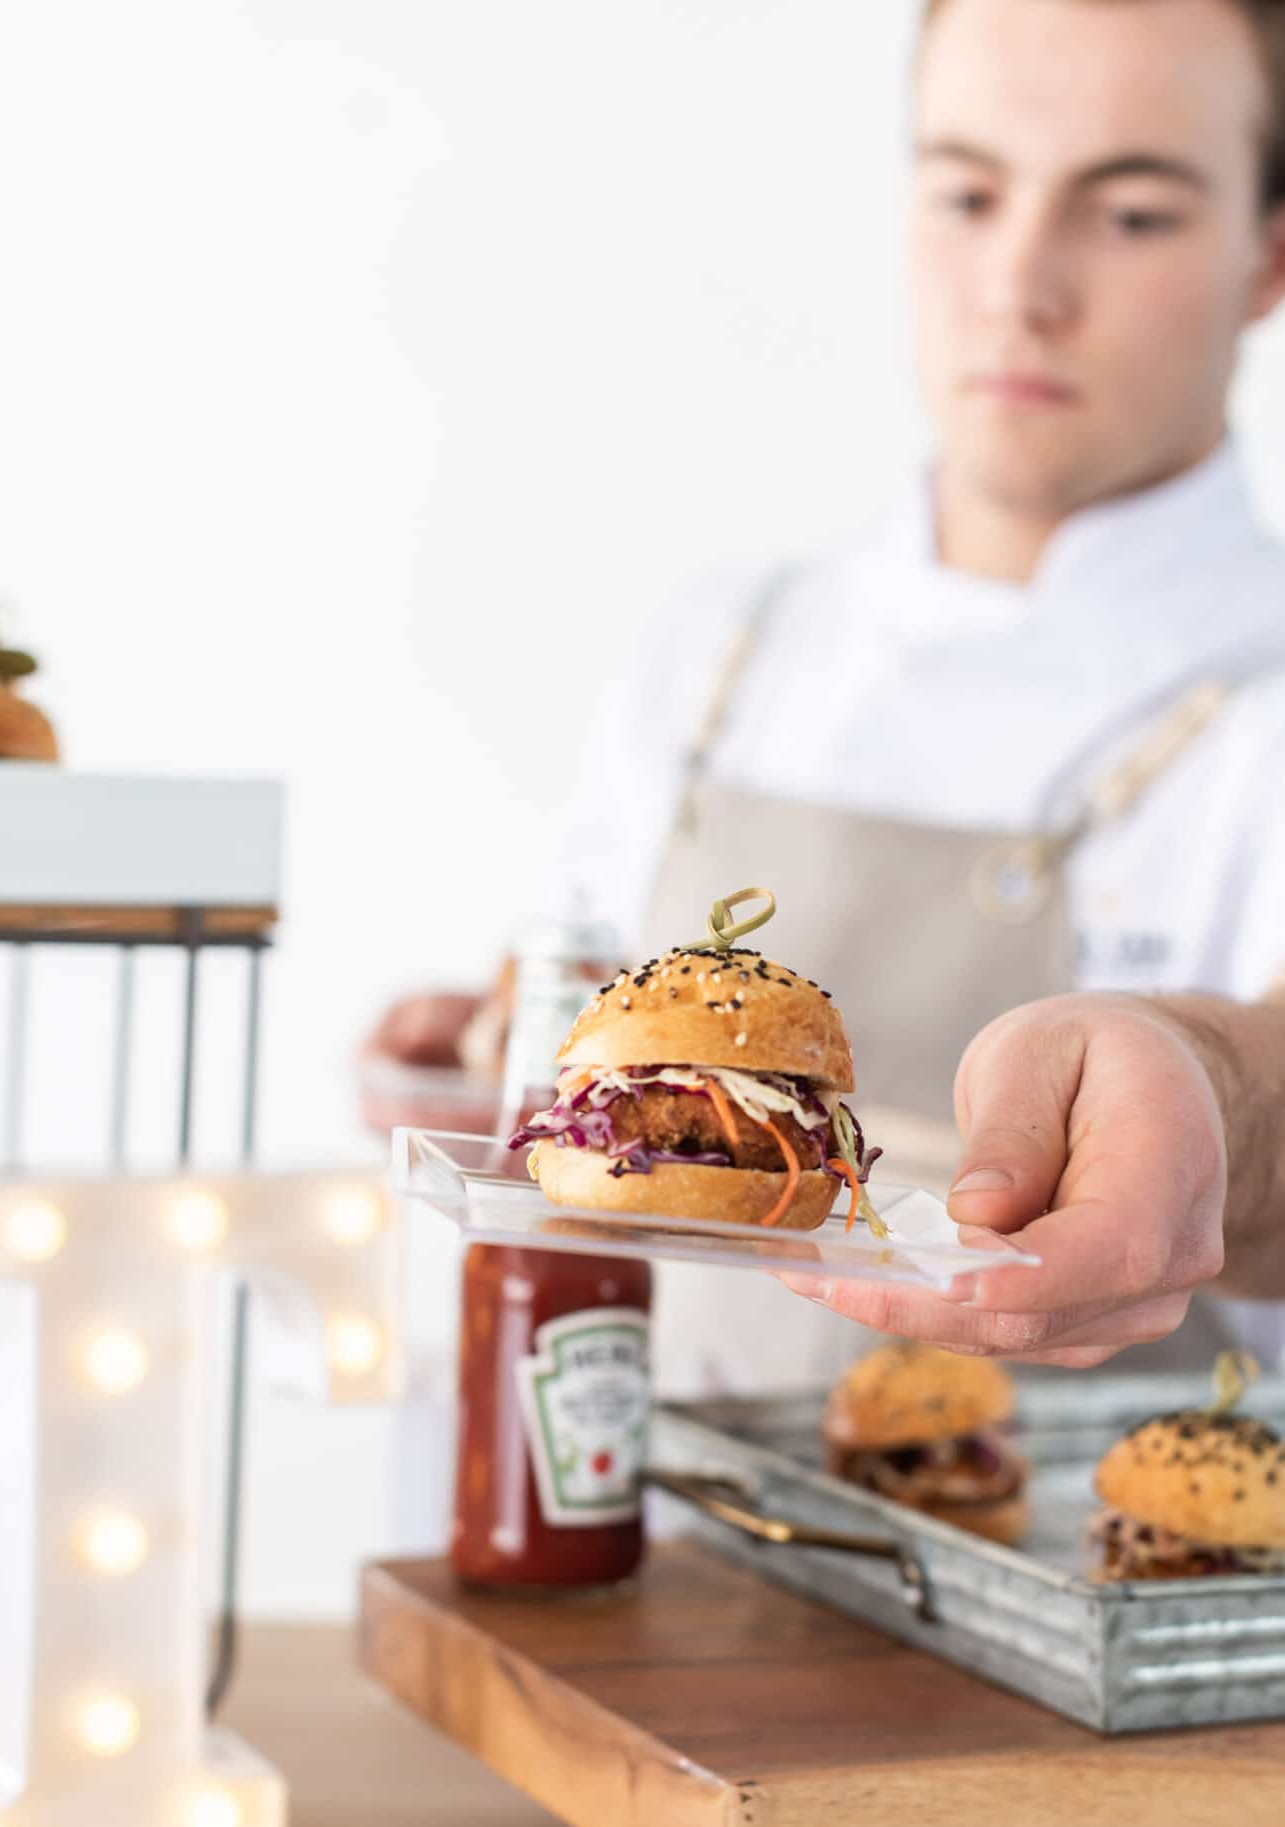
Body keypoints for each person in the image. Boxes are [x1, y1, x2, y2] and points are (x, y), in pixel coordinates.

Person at [383, 0, 1285, 1388]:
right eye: (967, 193)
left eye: (1134, 215)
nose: (1018, 285)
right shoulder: (722, 646)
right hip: (640, 1545)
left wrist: (1212, 1089)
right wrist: (485, 1052)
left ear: (1267, 255)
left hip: (1061, 1577)